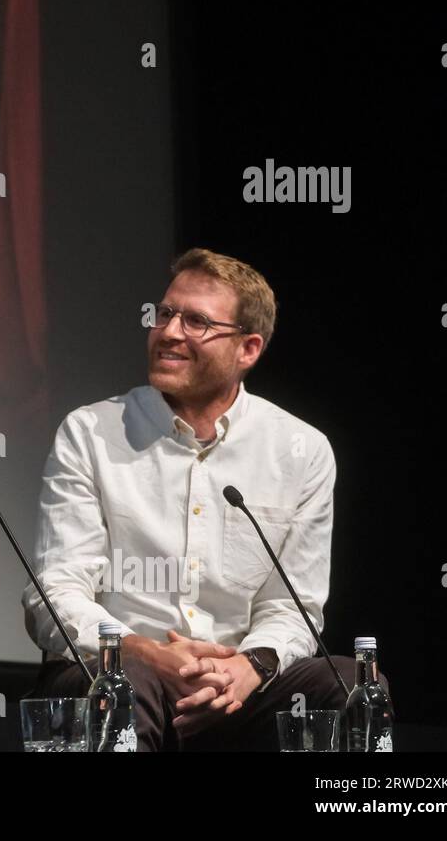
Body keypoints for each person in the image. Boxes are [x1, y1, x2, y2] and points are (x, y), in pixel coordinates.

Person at [24, 248, 387, 750]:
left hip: (237, 687)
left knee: (350, 686)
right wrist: (147, 653)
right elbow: (55, 593)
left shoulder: (301, 450)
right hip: (115, 671)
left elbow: (293, 607)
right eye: (165, 314)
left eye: (195, 321)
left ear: (248, 348)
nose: (169, 332)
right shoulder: (90, 432)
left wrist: (248, 667)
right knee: (129, 682)